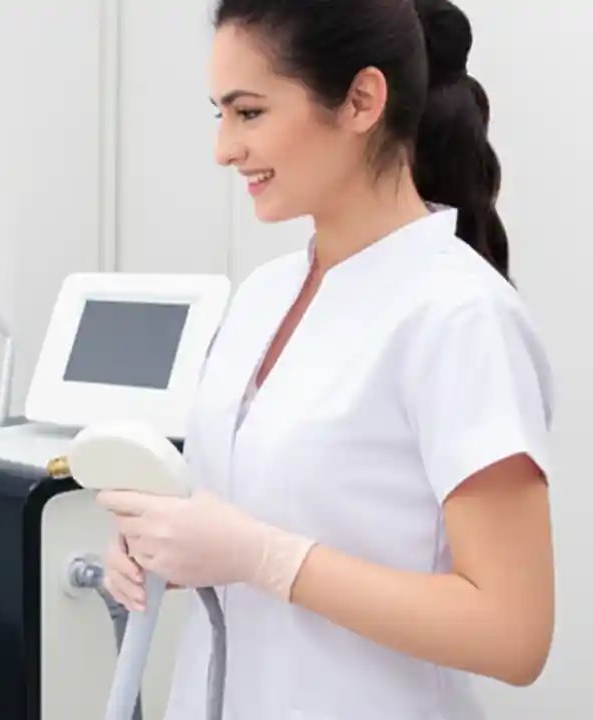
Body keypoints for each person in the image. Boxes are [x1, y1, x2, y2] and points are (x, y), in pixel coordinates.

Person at [97, 0, 555, 718]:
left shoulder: (460, 315)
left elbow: (512, 633)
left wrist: (266, 558)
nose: (223, 147)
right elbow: (265, 511)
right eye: (218, 113)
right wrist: (172, 548)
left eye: (249, 113)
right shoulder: (262, 296)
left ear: (362, 100)